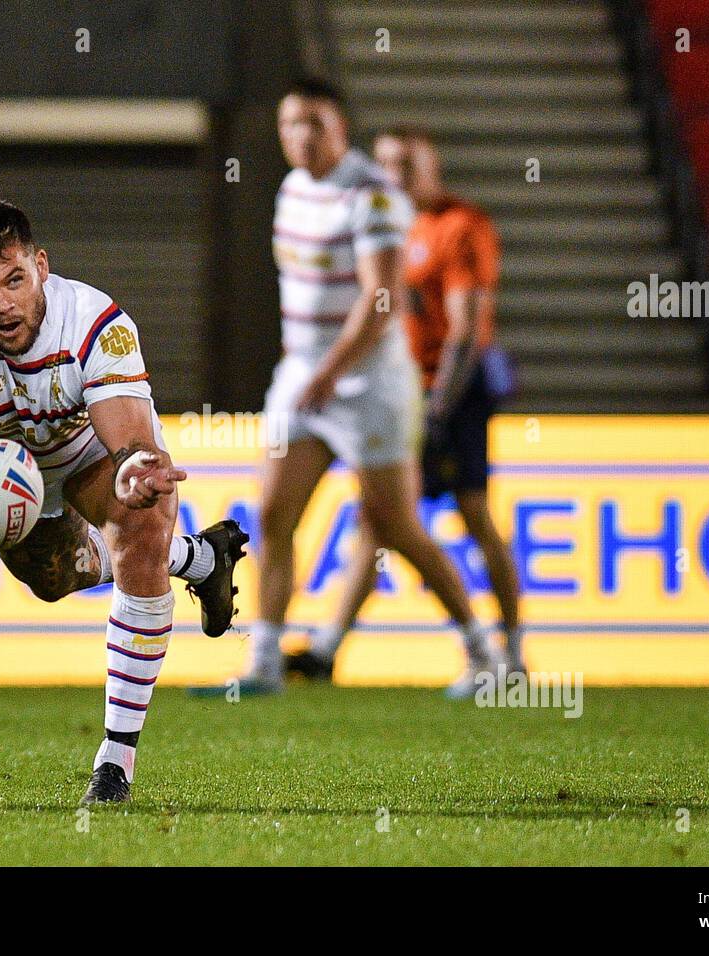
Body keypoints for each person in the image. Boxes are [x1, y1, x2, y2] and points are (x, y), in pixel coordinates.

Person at [0, 196, 248, 804]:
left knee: (139, 523)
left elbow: (129, 439)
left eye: (15, 281)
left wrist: (138, 468)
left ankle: (114, 764)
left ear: (41, 266)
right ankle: (199, 558)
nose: (3, 305)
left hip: (91, 457)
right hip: (13, 478)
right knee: (55, 579)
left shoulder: (92, 321)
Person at [213, 79, 499, 696]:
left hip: (368, 382)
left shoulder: (369, 194)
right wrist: (308, 369)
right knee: (271, 514)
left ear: (341, 128)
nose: (301, 135)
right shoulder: (292, 188)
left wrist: (329, 370)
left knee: (396, 526)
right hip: (306, 375)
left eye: (314, 123)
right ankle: (264, 663)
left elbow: (382, 298)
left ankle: (484, 653)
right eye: (291, 124)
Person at [287, 126, 525, 696]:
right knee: (379, 518)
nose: (398, 174)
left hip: (449, 395)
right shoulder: (381, 225)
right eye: (388, 163)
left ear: (433, 165)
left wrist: (440, 407)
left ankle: (508, 653)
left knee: (472, 516)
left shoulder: (460, 225)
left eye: (409, 162)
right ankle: (327, 649)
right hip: (398, 392)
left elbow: (465, 328)